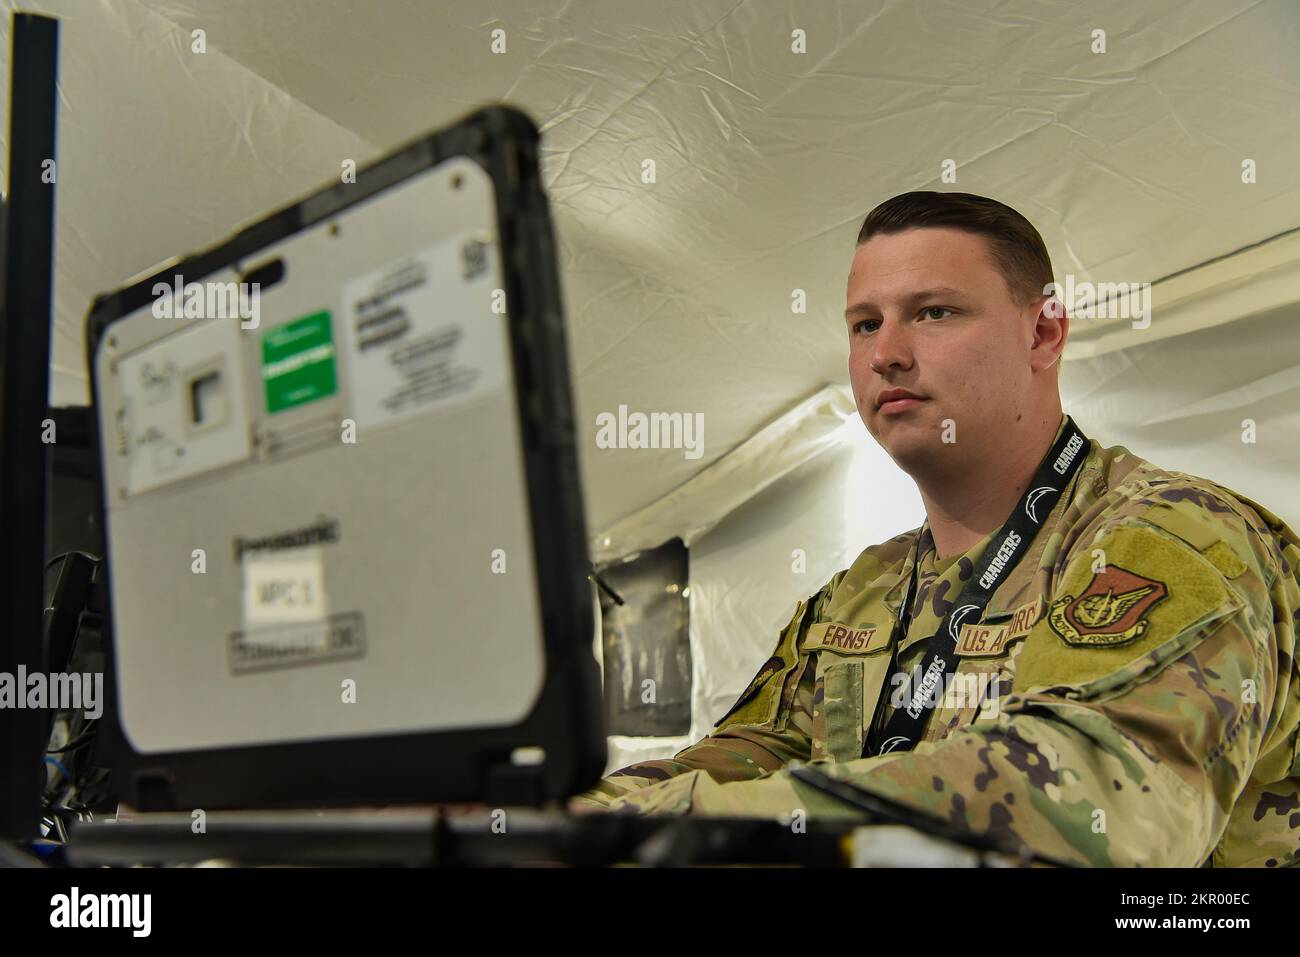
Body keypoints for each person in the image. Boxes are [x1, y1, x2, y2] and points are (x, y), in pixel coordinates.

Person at [569, 191, 1300, 868]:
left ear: (1043, 332)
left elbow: (1095, 810)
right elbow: (750, 752)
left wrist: (670, 822)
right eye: (865, 323)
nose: (886, 352)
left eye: (934, 313)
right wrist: (554, 821)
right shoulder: (863, 589)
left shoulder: (1168, 535)